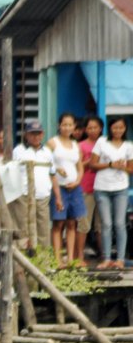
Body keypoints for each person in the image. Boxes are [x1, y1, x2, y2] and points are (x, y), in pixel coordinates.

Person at [90, 117, 133, 269]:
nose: (118, 131)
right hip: (102, 188)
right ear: (110, 128)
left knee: (120, 223)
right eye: (115, 127)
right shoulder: (102, 141)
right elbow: (92, 164)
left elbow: (131, 169)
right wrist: (109, 164)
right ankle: (106, 258)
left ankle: (120, 259)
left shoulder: (128, 145)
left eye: (121, 128)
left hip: (121, 188)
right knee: (106, 224)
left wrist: (122, 167)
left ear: (125, 129)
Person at [48, 113, 86, 267]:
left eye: (70, 125)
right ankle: (57, 258)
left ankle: (70, 258)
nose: (67, 127)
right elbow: (45, 161)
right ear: (59, 125)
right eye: (64, 124)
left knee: (72, 224)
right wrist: (57, 169)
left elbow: (80, 167)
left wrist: (77, 181)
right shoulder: (53, 143)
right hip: (58, 188)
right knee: (58, 224)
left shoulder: (76, 145)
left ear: (74, 126)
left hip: (74, 188)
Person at [10, 120, 55, 249]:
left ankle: (43, 261)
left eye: (38, 133)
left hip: (43, 195)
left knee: (43, 229)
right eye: (32, 134)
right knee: (23, 228)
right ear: (26, 135)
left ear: (43, 134)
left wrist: (57, 197)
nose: (35, 137)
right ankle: (24, 261)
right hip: (23, 195)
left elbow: (53, 174)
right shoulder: (19, 150)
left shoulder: (47, 151)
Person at [78, 115, 103, 259]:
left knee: (102, 224)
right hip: (86, 188)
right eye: (89, 127)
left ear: (101, 128)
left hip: (104, 188)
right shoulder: (81, 145)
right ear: (85, 129)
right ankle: (80, 256)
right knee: (84, 223)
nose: (93, 130)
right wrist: (91, 161)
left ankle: (103, 254)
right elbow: (78, 166)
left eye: (95, 127)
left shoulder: (106, 143)